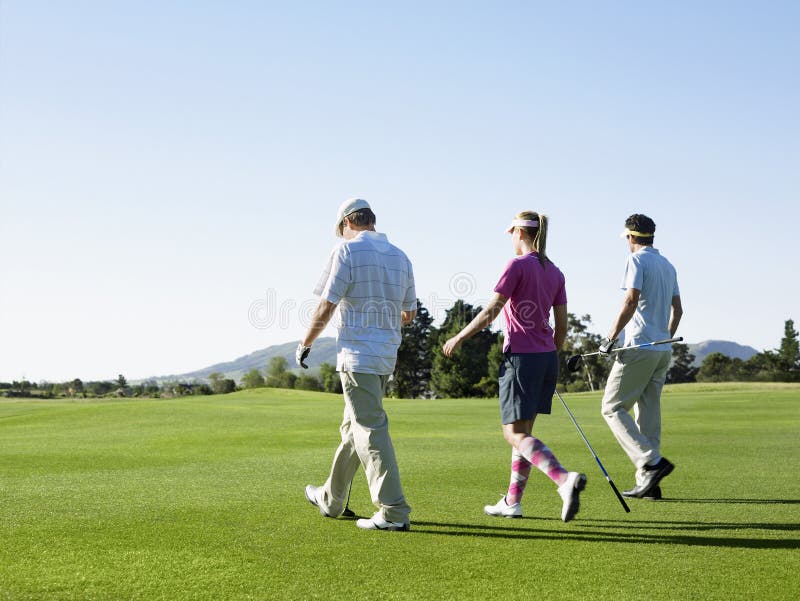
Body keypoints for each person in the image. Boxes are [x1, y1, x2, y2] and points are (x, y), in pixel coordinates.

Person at [443, 211, 586, 522]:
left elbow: (492, 310)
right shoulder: (555, 272)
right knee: (525, 432)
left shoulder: (516, 265)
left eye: (510, 232)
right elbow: (561, 327)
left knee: (513, 434)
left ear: (519, 232)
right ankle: (512, 501)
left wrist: (460, 337)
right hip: (546, 357)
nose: (509, 238)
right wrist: (549, 352)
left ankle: (564, 479)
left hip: (521, 359)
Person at [299, 198, 417, 531]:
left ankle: (394, 511)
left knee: (369, 430)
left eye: (341, 231)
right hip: (384, 357)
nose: (341, 236)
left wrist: (305, 343)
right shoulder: (400, 256)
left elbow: (326, 305)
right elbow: (408, 314)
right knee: (354, 430)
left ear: (348, 222)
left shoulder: (347, 252)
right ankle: (331, 500)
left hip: (357, 356)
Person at [600, 213, 682, 500]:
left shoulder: (636, 260)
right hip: (662, 350)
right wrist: (665, 338)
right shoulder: (667, 265)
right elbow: (678, 311)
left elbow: (631, 300)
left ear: (631, 237)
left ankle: (651, 461)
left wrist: (609, 339)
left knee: (611, 407)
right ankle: (650, 485)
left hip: (639, 348)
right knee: (648, 413)